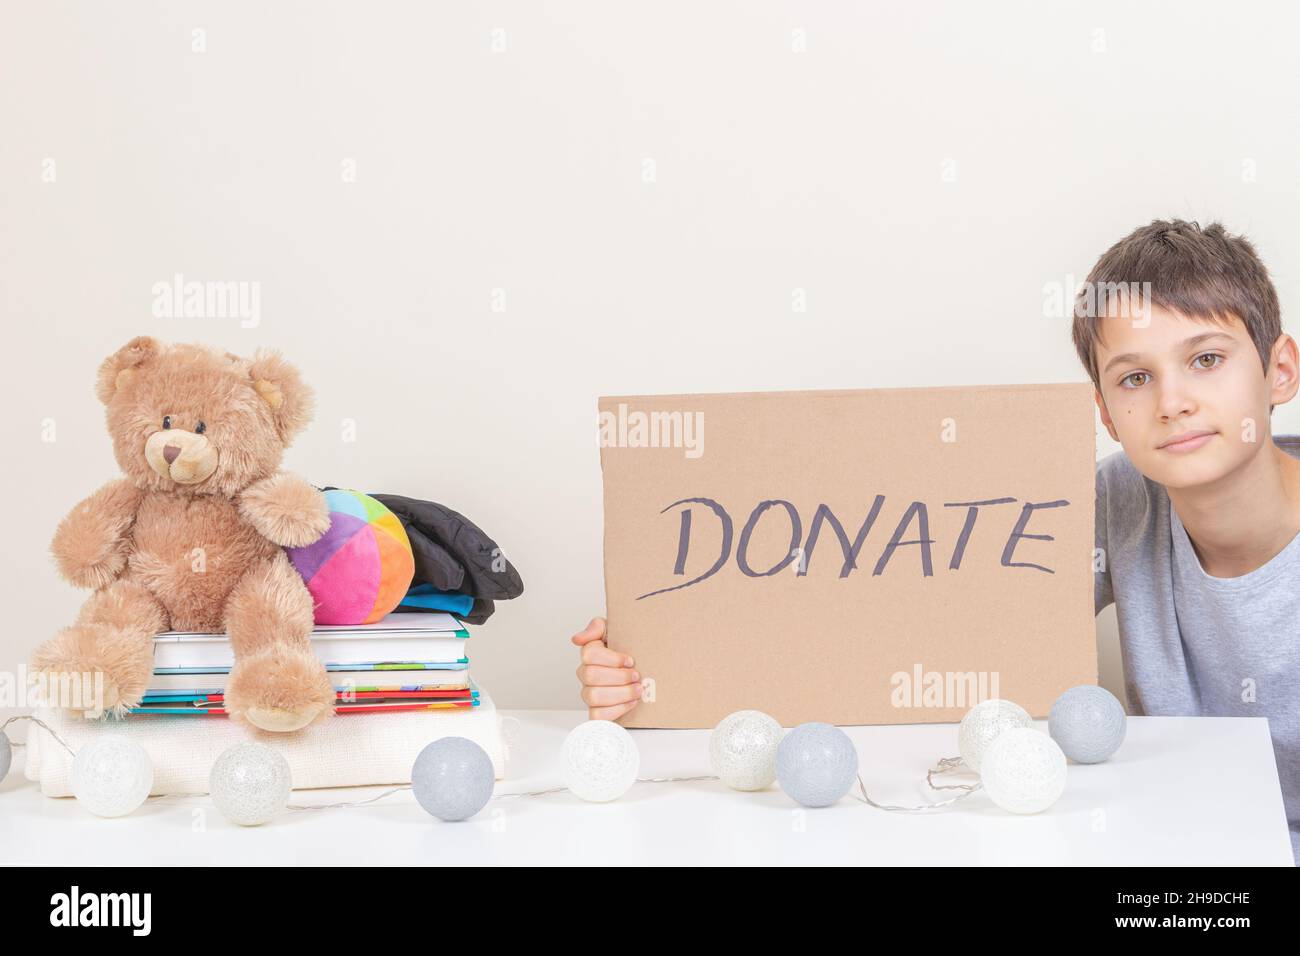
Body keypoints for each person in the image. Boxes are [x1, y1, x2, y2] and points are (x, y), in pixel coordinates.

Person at [574, 218, 1300, 862]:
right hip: (1191, 848)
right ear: (1106, 413)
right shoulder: (1114, 501)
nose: (1172, 402)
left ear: (1279, 370)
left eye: (1206, 359)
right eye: (1135, 377)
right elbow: (921, 619)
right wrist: (664, 660)